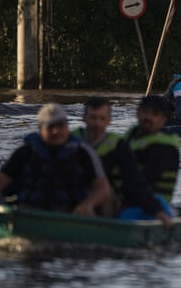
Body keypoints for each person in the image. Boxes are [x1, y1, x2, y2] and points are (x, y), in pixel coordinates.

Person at [0, 103, 111, 215]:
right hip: (30, 212)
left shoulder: (83, 152)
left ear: (67, 127)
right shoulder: (26, 152)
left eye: (60, 126)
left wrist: (88, 204)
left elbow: (102, 188)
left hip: (69, 213)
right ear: (40, 129)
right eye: (51, 127)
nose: (56, 131)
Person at [73, 97, 171, 226]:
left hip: (106, 203)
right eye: (93, 117)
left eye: (102, 119)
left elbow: (135, 181)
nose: (97, 124)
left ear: (109, 121)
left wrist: (157, 211)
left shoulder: (118, 146)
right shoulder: (71, 140)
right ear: (84, 118)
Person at [125, 96, 181, 209]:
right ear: (137, 113)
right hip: (130, 200)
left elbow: (143, 182)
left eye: (155, 114)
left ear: (163, 119)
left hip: (154, 206)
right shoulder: (132, 134)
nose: (148, 117)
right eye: (145, 112)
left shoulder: (166, 146)